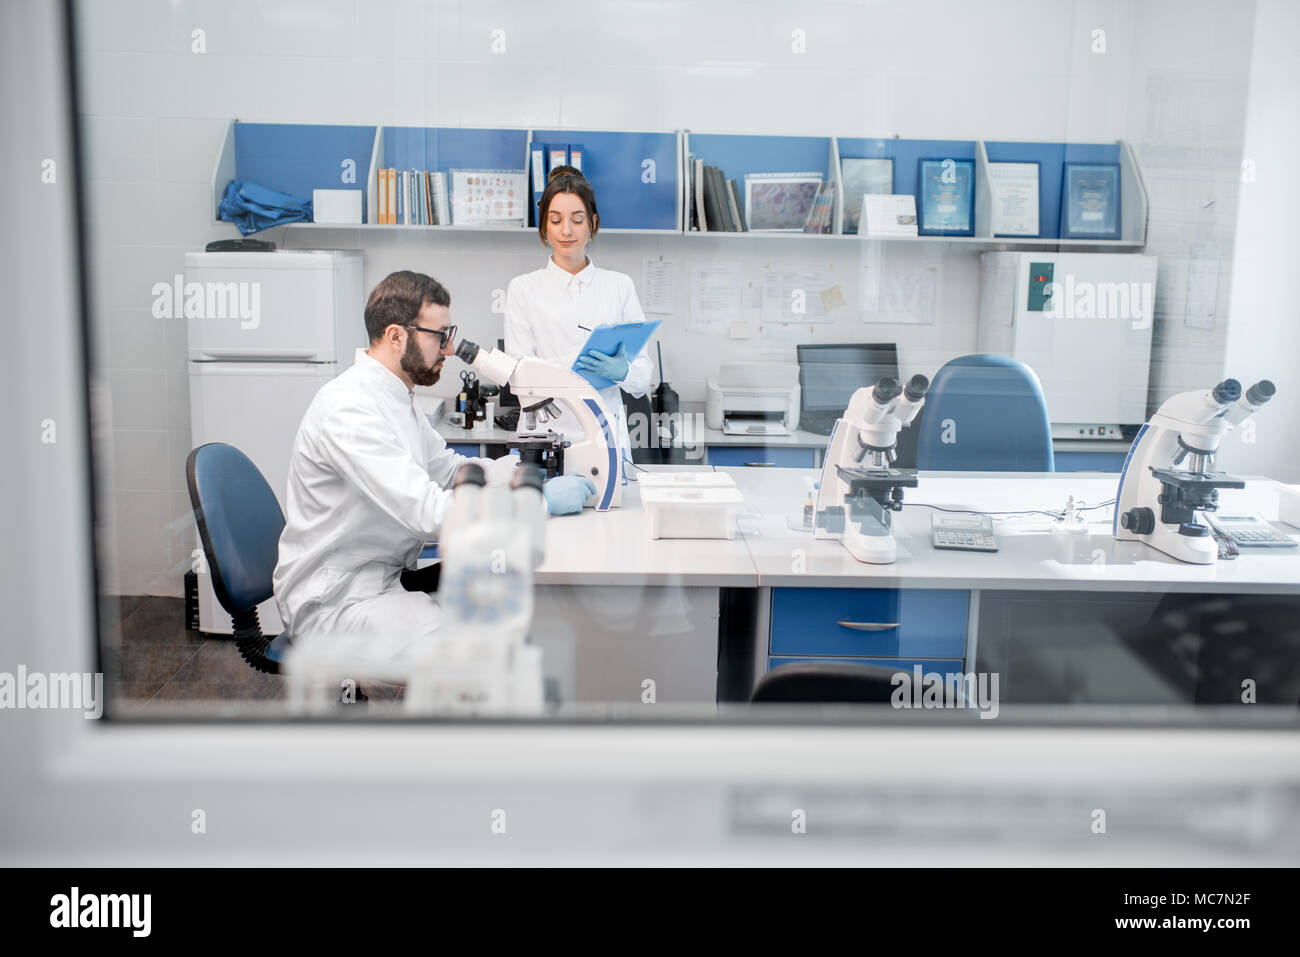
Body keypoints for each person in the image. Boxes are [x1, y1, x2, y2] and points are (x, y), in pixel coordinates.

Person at [272, 270, 594, 646]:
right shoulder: (350, 409)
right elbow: (430, 514)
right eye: (439, 336)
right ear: (396, 336)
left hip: (385, 580)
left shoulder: (396, 397)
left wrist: (525, 472)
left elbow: (452, 471)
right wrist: (539, 501)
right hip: (336, 600)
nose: (448, 349)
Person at [504, 166, 655, 479]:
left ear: (593, 223)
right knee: (544, 520)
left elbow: (643, 378)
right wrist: (572, 370)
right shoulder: (523, 288)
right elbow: (520, 377)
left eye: (577, 219)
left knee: (610, 523)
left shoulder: (619, 286)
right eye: (556, 220)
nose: (566, 231)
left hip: (606, 438)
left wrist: (622, 370)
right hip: (543, 435)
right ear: (544, 226)